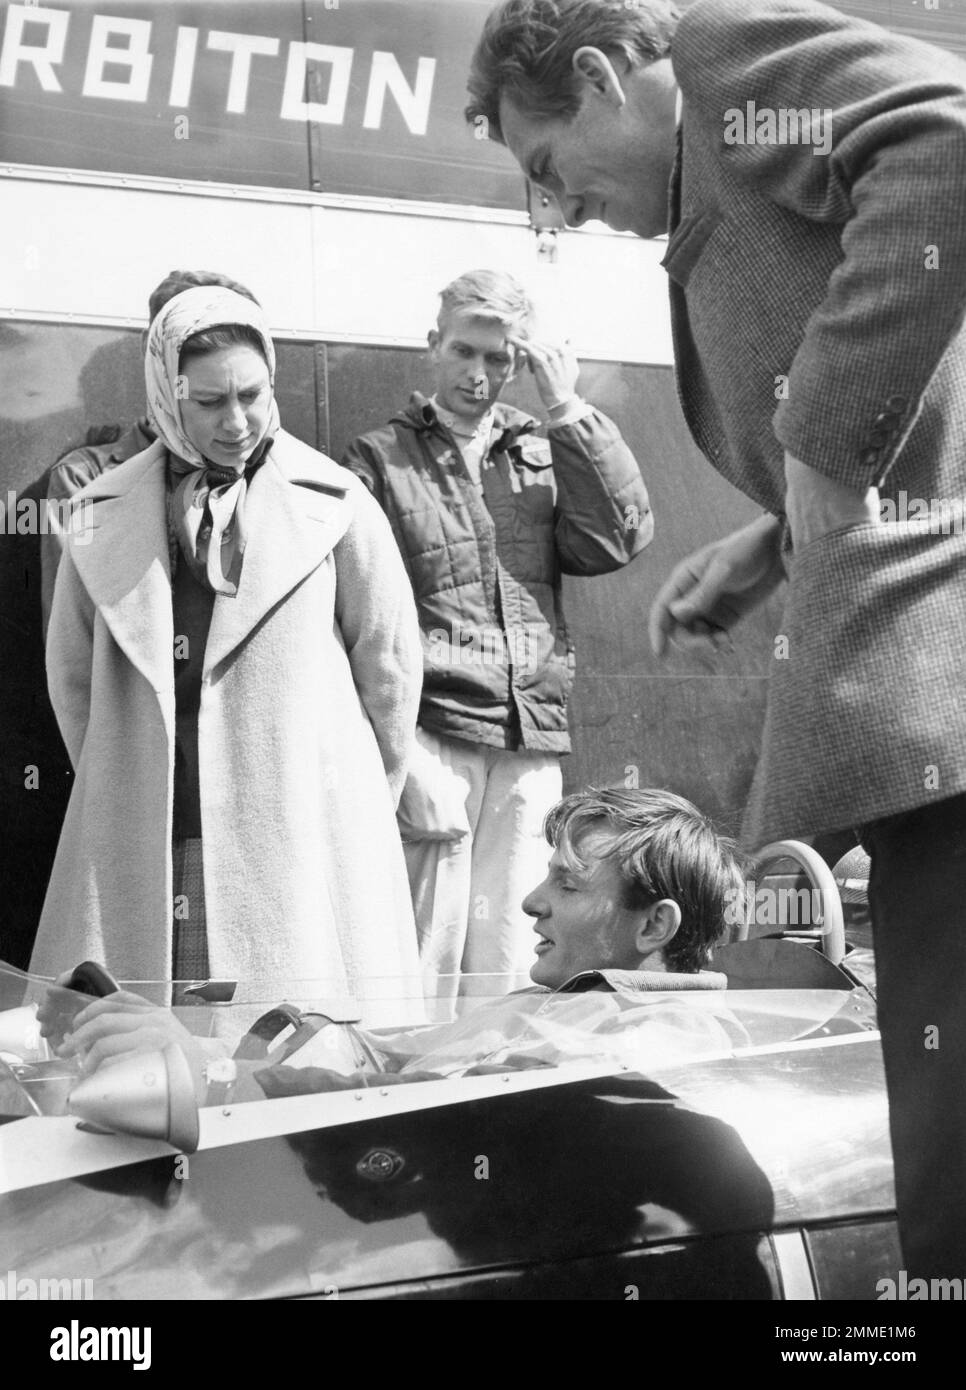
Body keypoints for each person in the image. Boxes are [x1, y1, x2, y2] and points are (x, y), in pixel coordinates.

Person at [465, 0, 966, 1275]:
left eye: (546, 167)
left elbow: (948, 138)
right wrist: (770, 543)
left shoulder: (726, 61)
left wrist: (822, 444)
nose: (557, 210)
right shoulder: (722, 173)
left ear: (601, 75)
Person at [33, 286, 424, 1025]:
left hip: (302, 838)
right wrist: (131, 786)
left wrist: (344, 807)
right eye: (210, 402)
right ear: (164, 397)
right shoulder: (98, 513)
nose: (237, 421)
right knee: (137, 1061)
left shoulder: (338, 501)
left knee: (292, 1063)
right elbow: (73, 682)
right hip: (153, 839)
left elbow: (391, 673)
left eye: (252, 394)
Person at [342, 269, 652, 1001]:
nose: (478, 375)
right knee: (419, 956)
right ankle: (402, 1106)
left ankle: (499, 1100)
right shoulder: (377, 459)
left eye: (499, 359)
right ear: (433, 347)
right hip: (433, 732)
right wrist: (396, 753)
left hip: (527, 736)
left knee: (517, 957)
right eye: (464, 352)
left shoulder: (541, 449)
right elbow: (346, 617)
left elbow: (617, 539)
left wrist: (569, 407)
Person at [49, 788, 747, 1099]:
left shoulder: (661, 1039)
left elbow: (430, 1100)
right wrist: (199, 1048)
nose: (532, 901)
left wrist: (215, 1081)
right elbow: (388, 1057)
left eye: (567, 886)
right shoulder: (574, 1000)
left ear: (654, 926)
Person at [40, 269, 260, 637]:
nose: (235, 421)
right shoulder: (85, 481)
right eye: (197, 345)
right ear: (154, 353)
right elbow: (73, 647)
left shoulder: (275, 476)